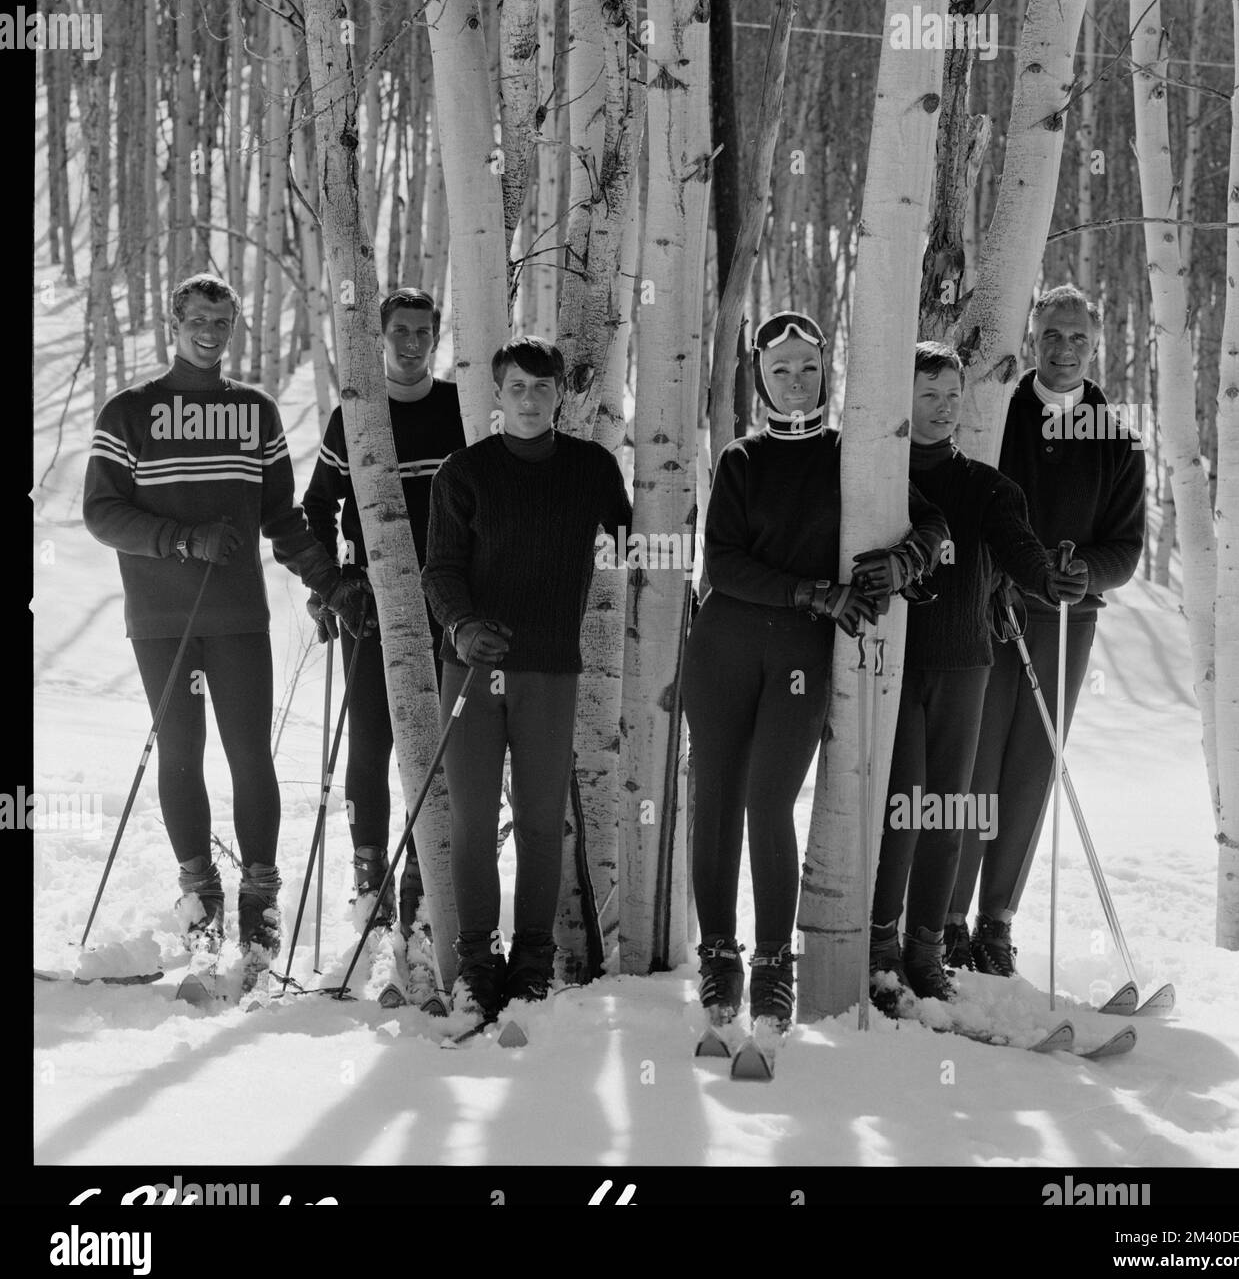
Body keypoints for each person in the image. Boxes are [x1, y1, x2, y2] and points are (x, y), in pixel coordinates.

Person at [83, 273, 370, 975]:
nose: (211, 331)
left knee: (251, 756)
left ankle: (260, 905)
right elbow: (100, 513)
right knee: (179, 754)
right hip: (162, 618)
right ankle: (199, 900)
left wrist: (330, 582)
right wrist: (180, 540)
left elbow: (282, 518)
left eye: (224, 320)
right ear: (172, 324)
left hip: (238, 616)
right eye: (198, 319)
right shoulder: (130, 412)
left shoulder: (255, 412)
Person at [681, 310, 949, 1031]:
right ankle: (718, 957)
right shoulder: (740, 459)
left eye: (807, 368)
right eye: (779, 371)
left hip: (801, 659)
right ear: (760, 380)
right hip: (723, 648)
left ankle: (772, 963)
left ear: (826, 370)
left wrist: (902, 563)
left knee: (768, 804)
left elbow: (934, 526)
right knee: (715, 801)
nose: (795, 384)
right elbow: (723, 564)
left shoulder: (851, 454)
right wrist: (811, 592)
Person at [421, 336, 633, 1022]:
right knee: (474, 821)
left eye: (544, 388)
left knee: (544, 822)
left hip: (548, 669)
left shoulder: (591, 468)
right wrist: (460, 625)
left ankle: (533, 962)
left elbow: (628, 540)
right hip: (475, 670)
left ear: (560, 395)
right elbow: (440, 570)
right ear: (498, 394)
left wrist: (683, 551)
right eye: (518, 388)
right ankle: (476, 966)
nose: (532, 400)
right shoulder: (464, 471)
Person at [868, 343, 1084, 1012]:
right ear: (903, 399)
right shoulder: (875, 476)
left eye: (952, 396)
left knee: (947, 814)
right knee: (902, 808)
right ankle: (878, 947)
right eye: (929, 395)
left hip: (965, 667)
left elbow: (1018, 548)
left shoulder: (988, 486)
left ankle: (926, 948)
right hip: (895, 666)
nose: (943, 409)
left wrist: (1050, 576)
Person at [946, 285, 1145, 975]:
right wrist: (996, 577)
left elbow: (1125, 546)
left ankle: (996, 921)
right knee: (977, 766)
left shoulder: (1115, 436)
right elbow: (972, 507)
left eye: (1077, 339)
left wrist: (1084, 574)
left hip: (1067, 619)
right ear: (1032, 340)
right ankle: (948, 919)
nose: (1064, 351)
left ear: (1095, 344)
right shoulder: (1001, 414)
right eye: (1051, 336)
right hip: (992, 610)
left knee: (1031, 769)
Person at [303, 288, 465, 941]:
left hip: (446, 606)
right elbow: (315, 509)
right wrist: (332, 583)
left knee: (435, 747)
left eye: (423, 332)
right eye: (399, 331)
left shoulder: (459, 410)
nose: (410, 343)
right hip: (369, 608)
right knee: (371, 742)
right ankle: (368, 883)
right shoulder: (356, 417)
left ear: (436, 336)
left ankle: (424, 880)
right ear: (380, 336)